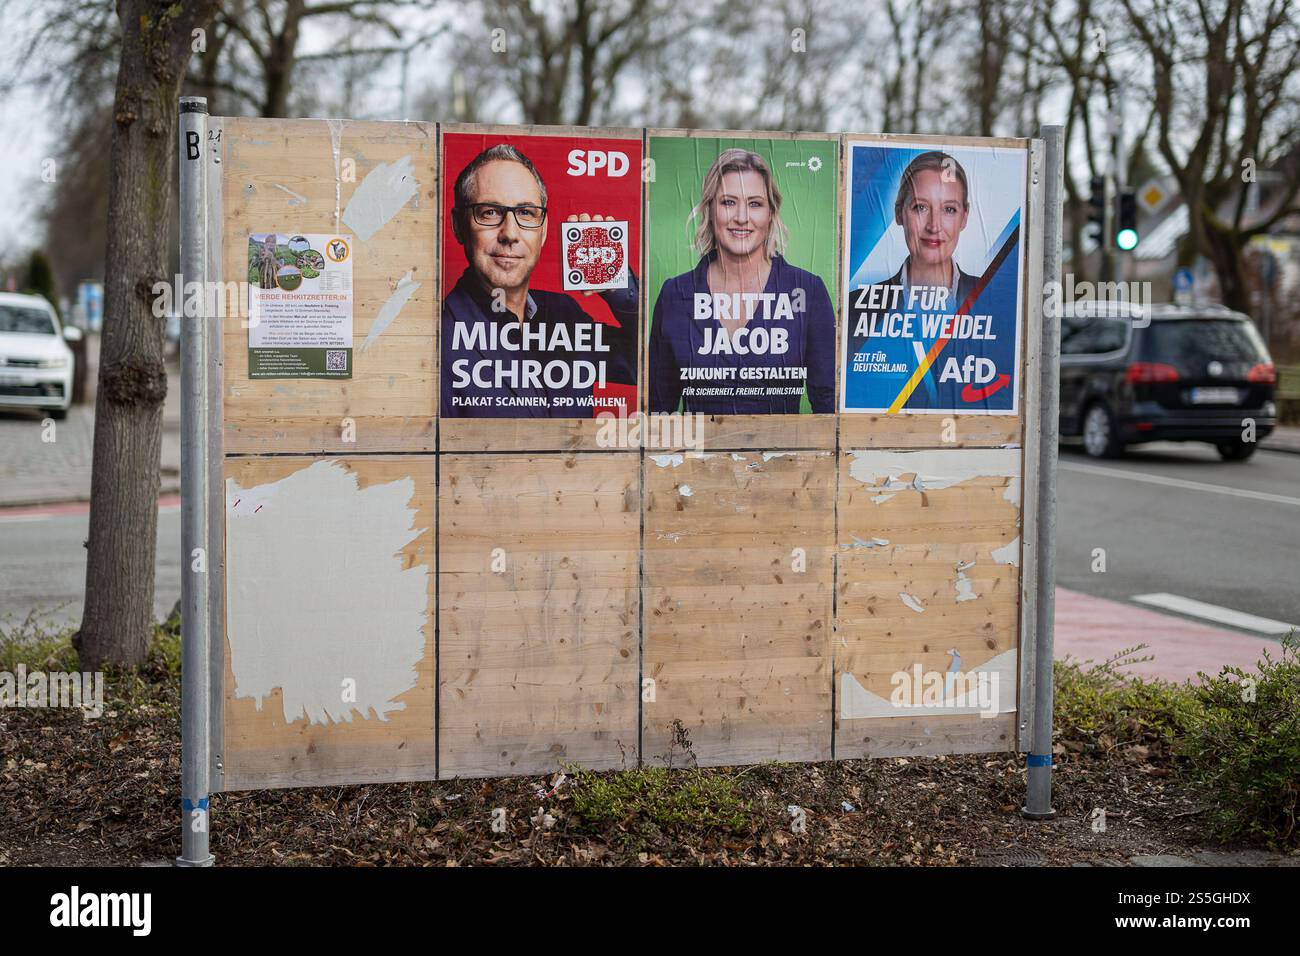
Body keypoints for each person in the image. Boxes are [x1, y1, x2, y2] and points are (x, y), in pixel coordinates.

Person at [440, 143, 638, 418]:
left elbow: (655, 363)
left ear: (542, 232)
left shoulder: (564, 315)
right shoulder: (436, 343)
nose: (510, 233)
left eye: (526, 213)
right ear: (458, 225)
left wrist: (617, 283)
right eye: (489, 212)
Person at [648, 148, 835, 415]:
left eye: (755, 203)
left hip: (785, 456)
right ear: (710, 209)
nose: (742, 217)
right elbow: (657, 410)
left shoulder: (807, 291)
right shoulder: (675, 295)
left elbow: (828, 409)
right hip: (696, 455)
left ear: (771, 213)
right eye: (728, 202)